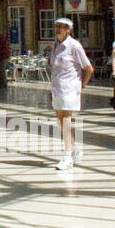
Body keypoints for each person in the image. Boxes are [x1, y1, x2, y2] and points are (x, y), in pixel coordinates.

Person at [48, 17, 93, 170]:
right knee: (60, 119)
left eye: (62, 27)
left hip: (70, 88)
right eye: (57, 26)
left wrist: (81, 86)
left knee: (66, 119)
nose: (58, 29)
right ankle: (73, 148)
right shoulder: (55, 45)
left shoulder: (74, 45)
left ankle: (67, 156)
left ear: (69, 30)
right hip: (57, 88)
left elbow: (89, 68)